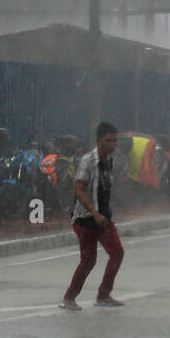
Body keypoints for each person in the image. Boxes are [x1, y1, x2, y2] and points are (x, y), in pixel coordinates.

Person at [60, 122, 125, 310]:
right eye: (108, 141)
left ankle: (103, 295)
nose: (112, 144)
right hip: (85, 219)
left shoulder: (109, 161)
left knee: (117, 253)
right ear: (98, 141)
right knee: (88, 261)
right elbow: (78, 190)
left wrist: (105, 212)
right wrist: (95, 213)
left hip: (103, 219)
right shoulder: (88, 160)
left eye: (114, 141)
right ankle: (69, 297)